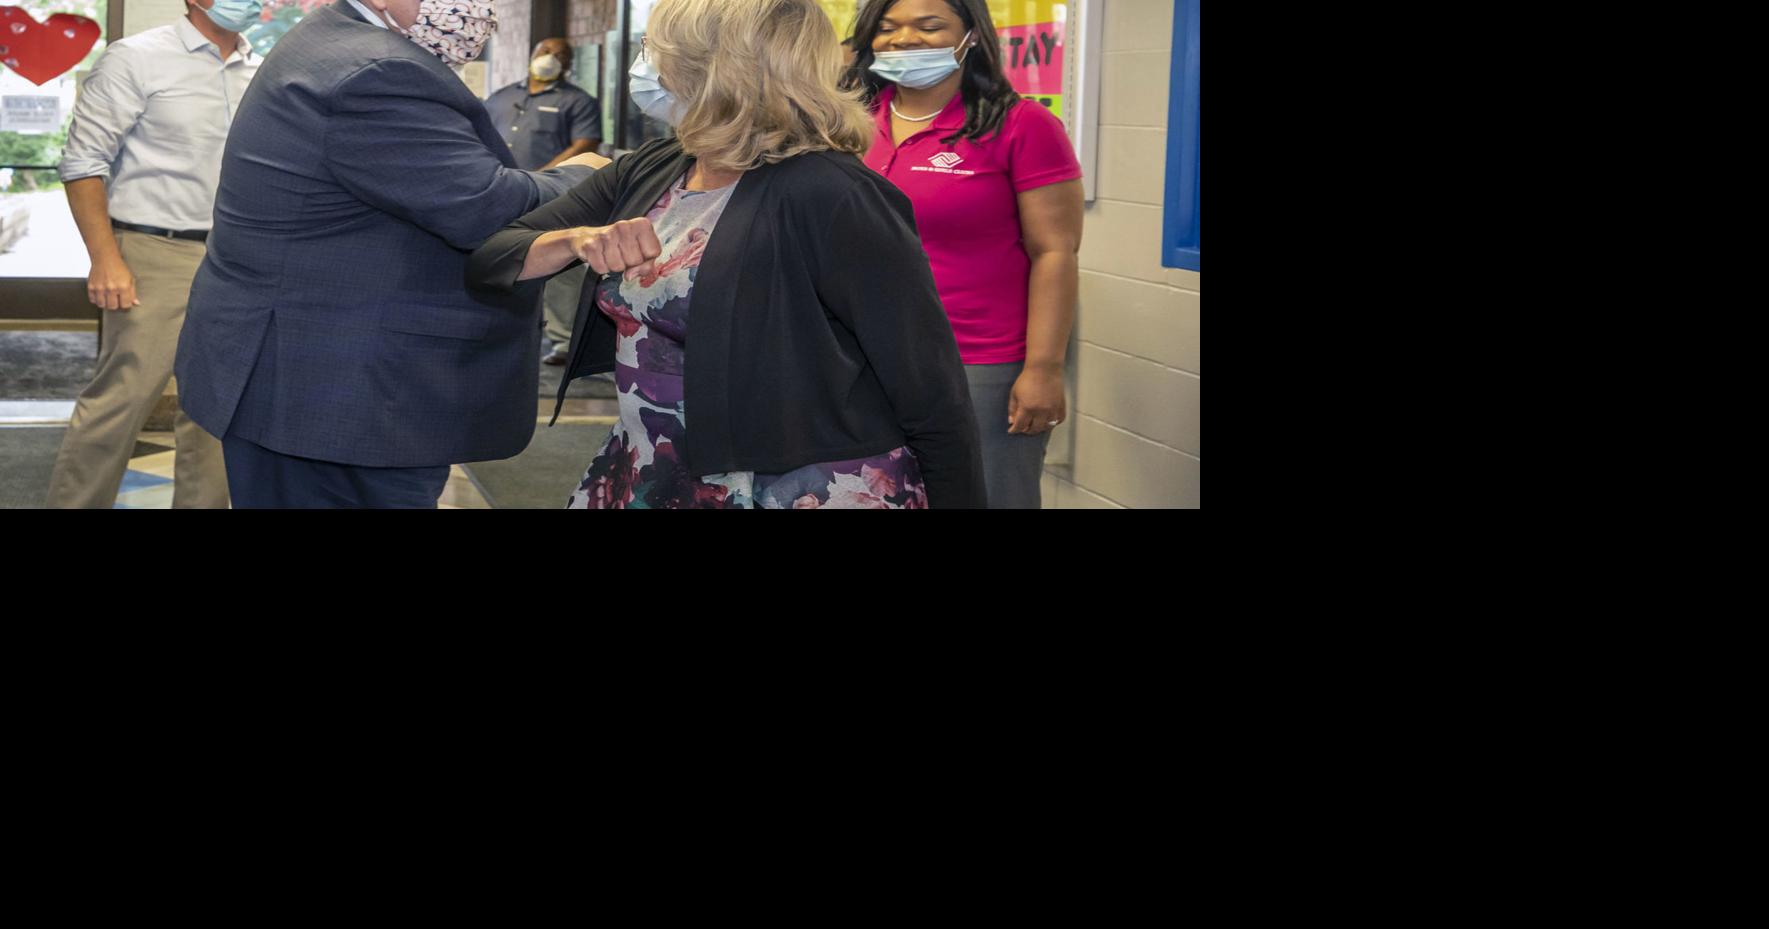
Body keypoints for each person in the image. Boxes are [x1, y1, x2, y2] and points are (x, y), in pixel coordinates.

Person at [466, 0, 985, 509]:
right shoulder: (657, 167)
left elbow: (928, 386)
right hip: (654, 461)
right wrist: (576, 240)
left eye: (656, 48)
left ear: (712, 66)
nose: (645, 64)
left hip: (795, 482)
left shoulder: (835, 193)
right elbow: (494, 257)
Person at [174, 0, 607, 508]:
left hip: (308, 372)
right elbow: (488, 207)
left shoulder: (337, 38)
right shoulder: (376, 70)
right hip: (332, 396)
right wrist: (591, 176)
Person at [844, 0, 1083, 508]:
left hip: (978, 362)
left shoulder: (1022, 124)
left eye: (929, 26)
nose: (904, 39)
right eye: (887, 28)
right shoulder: (849, 123)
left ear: (971, 36)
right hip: (864, 359)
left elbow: (1055, 251)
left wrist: (1043, 368)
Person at [44, 0, 264, 509]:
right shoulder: (136, 57)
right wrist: (105, 258)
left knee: (216, 412)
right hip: (153, 253)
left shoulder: (261, 70)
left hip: (235, 259)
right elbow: (82, 163)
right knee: (120, 402)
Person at [483, 37, 603, 366]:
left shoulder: (577, 101)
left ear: (568, 64)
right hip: (500, 192)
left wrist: (544, 176)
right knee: (501, 259)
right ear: (532, 54)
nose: (551, 58)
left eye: (560, 55)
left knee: (559, 267)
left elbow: (585, 143)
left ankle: (564, 340)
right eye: (546, 51)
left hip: (554, 197)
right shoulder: (502, 96)